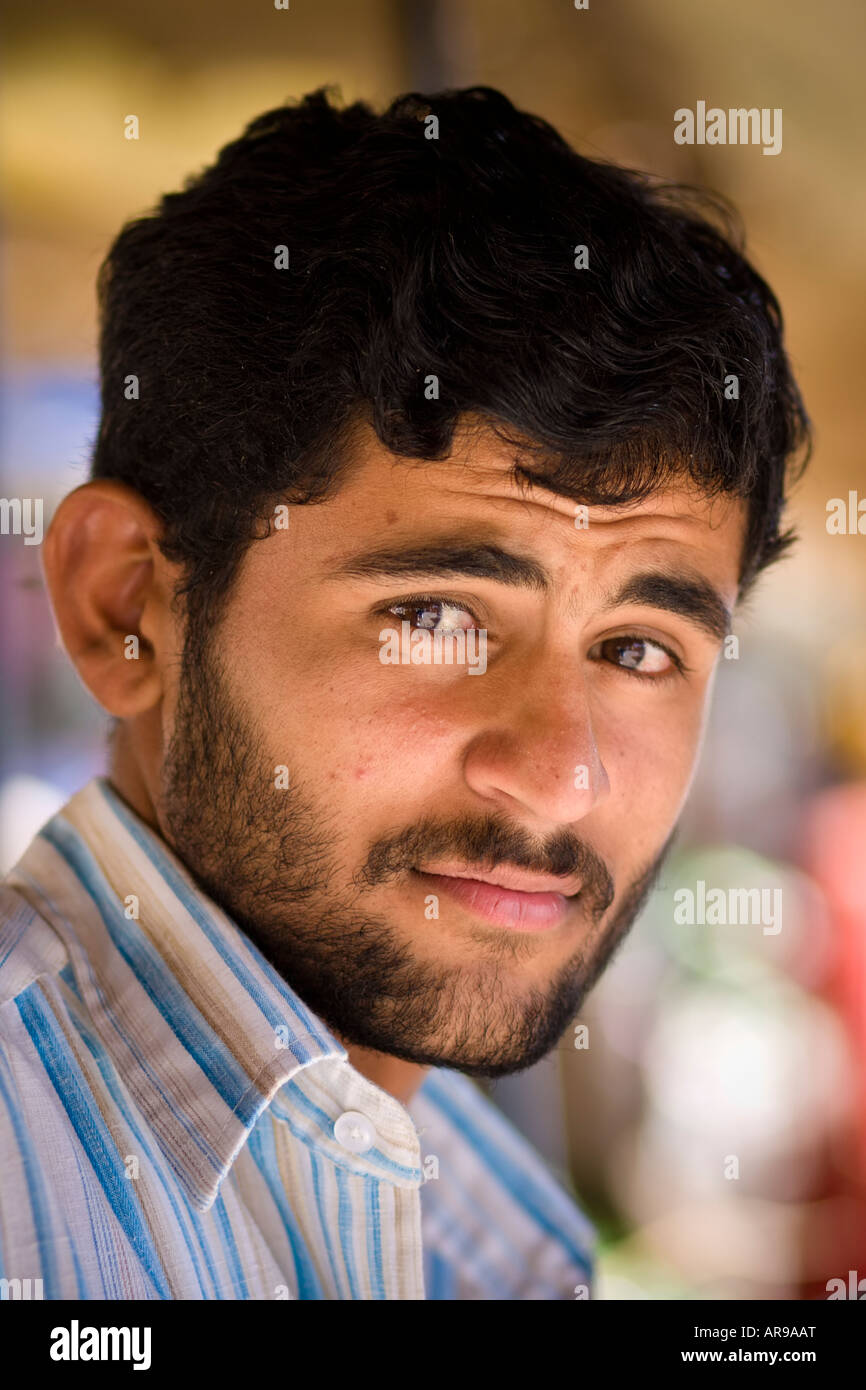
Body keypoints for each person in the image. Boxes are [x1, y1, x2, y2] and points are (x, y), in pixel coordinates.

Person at [0, 84, 809, 1299]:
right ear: (126, 606)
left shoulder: (471, 1212)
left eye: (640, 647)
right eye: (435, 617)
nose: (560, 772)